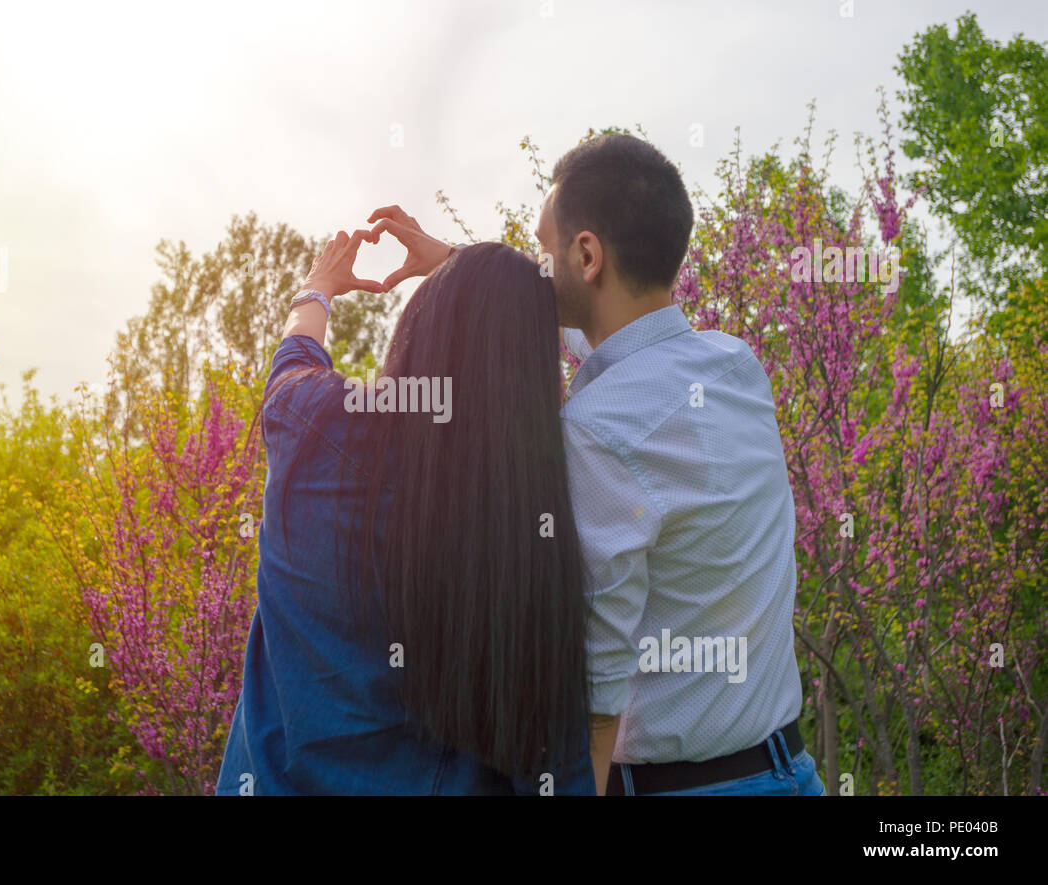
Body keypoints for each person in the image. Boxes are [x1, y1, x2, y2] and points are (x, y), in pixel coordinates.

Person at [374, 133, 824, 796]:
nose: (538, 262)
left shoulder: (595, 432)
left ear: (586, 253)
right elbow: (621, 352)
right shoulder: (737, 366)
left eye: (542, 246)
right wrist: (461, 264)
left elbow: (597, 695)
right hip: (790, 770)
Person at [215, 226, 595, 795]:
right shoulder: (537, 509)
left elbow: (294, 356)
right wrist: (480, 278)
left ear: (420, 324)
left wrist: (318, 288)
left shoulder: (312, 422)